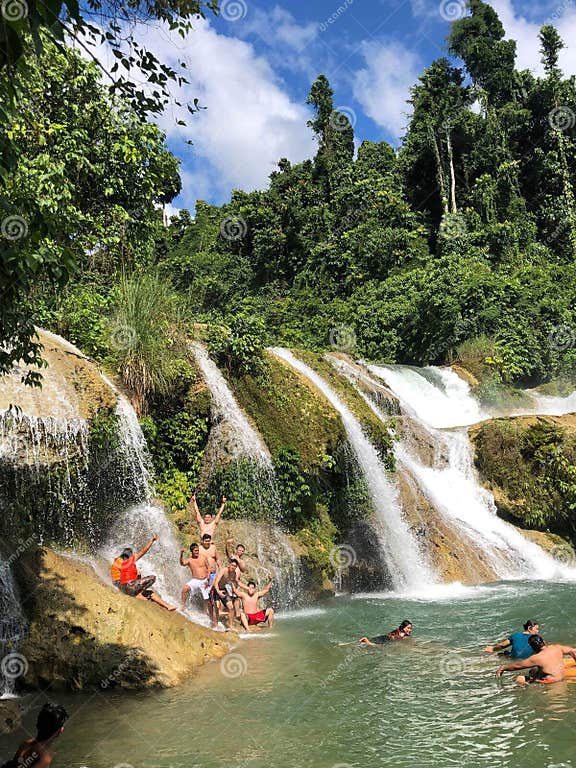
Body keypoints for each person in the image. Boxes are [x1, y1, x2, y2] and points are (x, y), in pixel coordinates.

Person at [2, 702, 68, 768]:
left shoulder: (25, 744)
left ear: (37, 725)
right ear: (60, 730)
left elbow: (15, 764)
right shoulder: (46, 757)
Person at [118, 540, 175, 611]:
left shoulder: (121, 565)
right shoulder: (130, 561)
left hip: (125, 589)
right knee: (152, 578)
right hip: (131, 587)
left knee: (150, 593)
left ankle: (167, 606)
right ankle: (140, 594)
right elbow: (143, 551)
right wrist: (152, 541)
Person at [496, 634, 576, 685]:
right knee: (534, 671)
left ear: (532, 647)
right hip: (562, 678)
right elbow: (573, 651)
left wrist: (503, 668)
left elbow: (517, 666)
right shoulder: (557, 648)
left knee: (519, 679)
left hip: (550, 682)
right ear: (543, 641)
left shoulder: (536, 658)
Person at [180, 543, 215, 625]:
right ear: (192, 551)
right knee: (185, 589)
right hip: (195, 580)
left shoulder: (203, 557)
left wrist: (208, 579)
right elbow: (182, 563)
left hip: (204, 580)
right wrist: (181, 554)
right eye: (195, 551)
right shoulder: (190, 560)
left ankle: (211, 618)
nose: (197, 552)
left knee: (208, 600)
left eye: (198, 550)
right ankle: (183, 606)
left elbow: (209, 568)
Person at [212, 560, 240, 629]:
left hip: (224, 589)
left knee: (231, 607)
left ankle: (230, 626)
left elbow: (233, 583)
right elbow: (216, 582)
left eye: (235, 566)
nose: (233, 567)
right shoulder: (223, 571)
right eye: (232, 565)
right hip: (216, 589)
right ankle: (215, 625)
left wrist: (234, 592)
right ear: (229, 565)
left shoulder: (234, 574)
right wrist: (218, 592)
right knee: (217, 607)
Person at [225, 539, 247, 618]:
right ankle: (228, 613)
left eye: (242, 551)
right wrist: (227, 543)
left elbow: (243, 569)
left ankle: (237, 615)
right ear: (236, 550)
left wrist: (238, 560)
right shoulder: (232, 557)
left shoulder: (242, 561)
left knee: (236, 598)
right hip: (230, 581)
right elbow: (227, 551)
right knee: (229, 597)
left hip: (237, 582)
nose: (241, 552)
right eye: (240, 550)